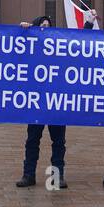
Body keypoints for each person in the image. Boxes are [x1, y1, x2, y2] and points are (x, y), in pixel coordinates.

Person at [16, 16, 68, 189]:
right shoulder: (32, 48)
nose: (45, 28)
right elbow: (16, 52)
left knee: (59, 142)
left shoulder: (60, 48)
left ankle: (57, 177)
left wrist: (89, 23)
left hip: (56, 103)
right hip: (37, 103)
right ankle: (28, 175)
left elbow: (81, 45)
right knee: (32, 141)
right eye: (42, 26)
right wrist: (25, 31)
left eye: (48, 26)